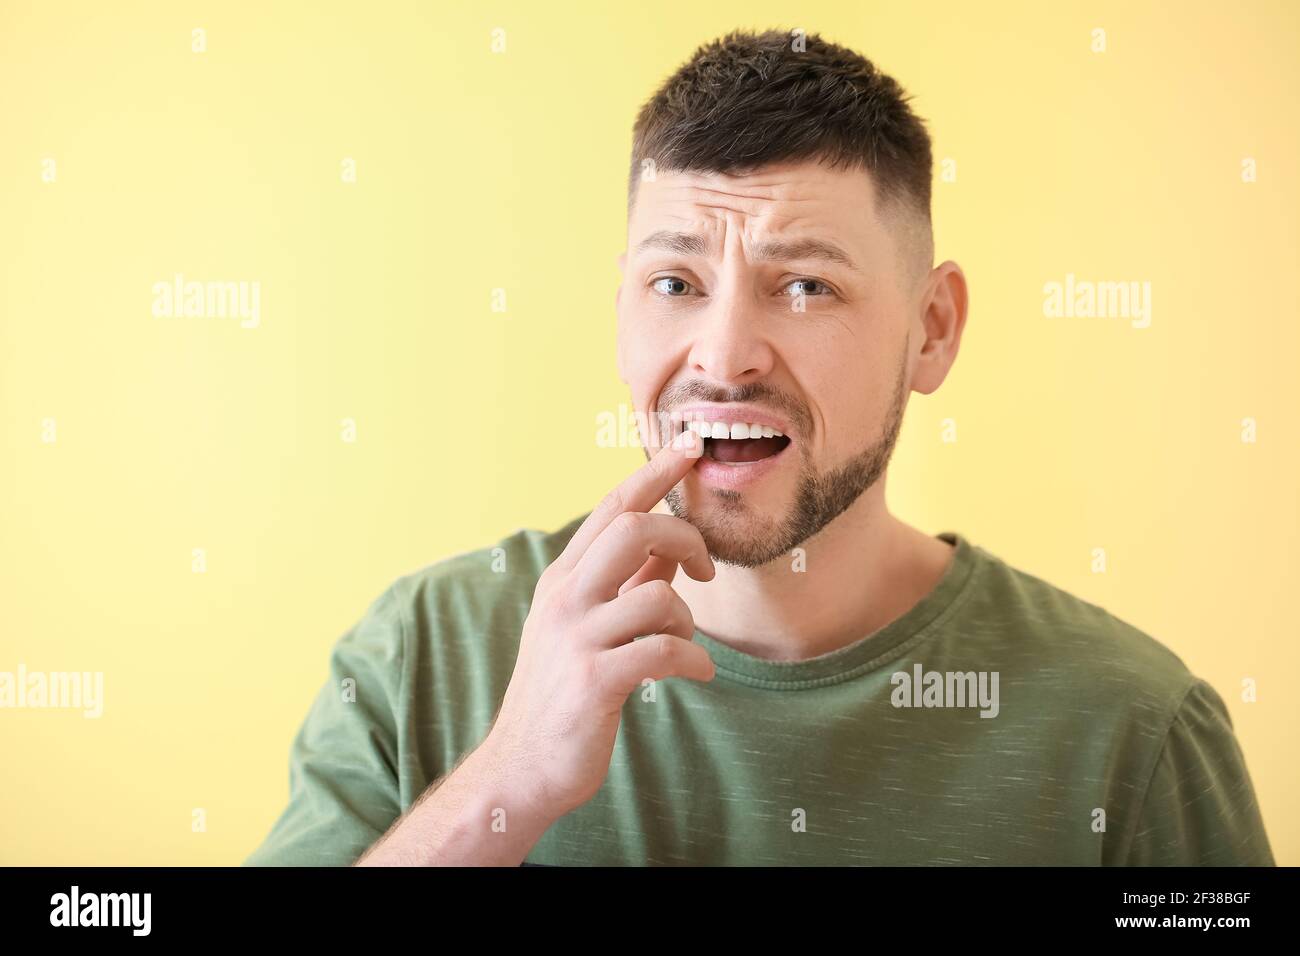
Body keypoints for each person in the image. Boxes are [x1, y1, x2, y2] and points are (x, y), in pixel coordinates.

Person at [245, 28, 1274, 866]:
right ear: (620, 311)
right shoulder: (418, 656)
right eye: (675, 284)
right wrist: (505, 785)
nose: (724, 355)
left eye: (805, 284)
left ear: (932, 329)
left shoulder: (1134, 730)